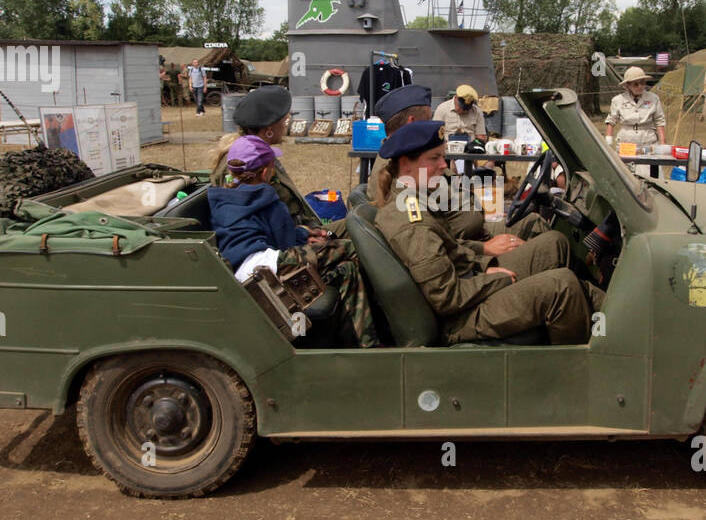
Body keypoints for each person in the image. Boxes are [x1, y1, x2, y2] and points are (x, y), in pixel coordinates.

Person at [373, 120, 603, 345]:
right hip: (459, 318)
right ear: (405, 164)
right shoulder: (413, 223)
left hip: (468, 283)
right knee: (561, 287)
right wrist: (496, 278)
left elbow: (450, 248)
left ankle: (614, 312)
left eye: (442, 156)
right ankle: (577, 368)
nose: (443, 165)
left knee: (554, 244)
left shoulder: (415, 197)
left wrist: (483, 264)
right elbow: (447, 298)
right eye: (434, 158)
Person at [207, 135, 378, 348]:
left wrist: (304, 235)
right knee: (350, 248)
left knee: (346, 269)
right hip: (264, 269)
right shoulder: (262, 196)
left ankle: (362, 344)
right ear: (266, 171)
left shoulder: (230, 196)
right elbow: (280, 241)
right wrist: (307, 241)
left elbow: (273, 234)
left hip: (257, 265)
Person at [366, 83, 544, 244]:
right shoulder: (405, 167)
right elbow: (426, 232)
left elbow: (455, 190)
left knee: (532, 223)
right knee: (538, 228)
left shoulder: (416, 160)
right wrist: (483, 249)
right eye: (428, 120)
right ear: (412, 122)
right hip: (464, 241)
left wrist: (489, 210)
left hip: (474, 230)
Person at [212, 84, 348, 238]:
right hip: (290, 241)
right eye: (283, 121)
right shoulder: (242, 161)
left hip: (301, 231)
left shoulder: (260, 154)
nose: (286, 125)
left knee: (362, 222)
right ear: (269, 129)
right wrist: (304, 236)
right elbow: (252, 223)